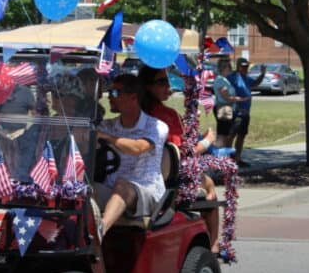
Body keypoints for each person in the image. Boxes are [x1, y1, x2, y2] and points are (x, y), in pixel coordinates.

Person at [139, 66, 221, 253]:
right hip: (165, 177)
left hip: (142, 171)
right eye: (161, 82)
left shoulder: (137, 112)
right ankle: (214, 244)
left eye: (167, 81)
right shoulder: (166, 115)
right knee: (208, 185)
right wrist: (208, 141)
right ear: (148, 86)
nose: (168, 85)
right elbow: (182, 153)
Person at [94, 74, 167, 238]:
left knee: (122, 185)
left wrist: (107, 138)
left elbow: (138, 147)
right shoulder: (108, 125)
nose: (109, 98)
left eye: (115, 93)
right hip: (111, 187)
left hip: (146, 189)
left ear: (133, 97)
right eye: (109, 93)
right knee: (85, 189)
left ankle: (99, 232)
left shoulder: (156, 126)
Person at [227, 57, 265, 166]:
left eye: (247, 66)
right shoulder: (232, 78)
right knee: (231, 135)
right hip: (236, 112)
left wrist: (262, 74)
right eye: (243, 66)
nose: (245, 68)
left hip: (245, 113)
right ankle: (228, 159)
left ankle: (238, 159)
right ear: (238, 66)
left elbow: (256, 83)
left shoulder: (246, 78)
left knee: (241, 135)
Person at [213, 59, 248, 147]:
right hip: (224, 108)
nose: (230, 68)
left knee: (225, 133)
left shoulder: (224, 79)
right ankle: (219, 158)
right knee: (222, 134)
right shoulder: (220, 80)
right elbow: (226, 97)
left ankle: (223, 157)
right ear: (223, 68)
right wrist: (241, 99)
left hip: (227, 107)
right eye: (228, 66)